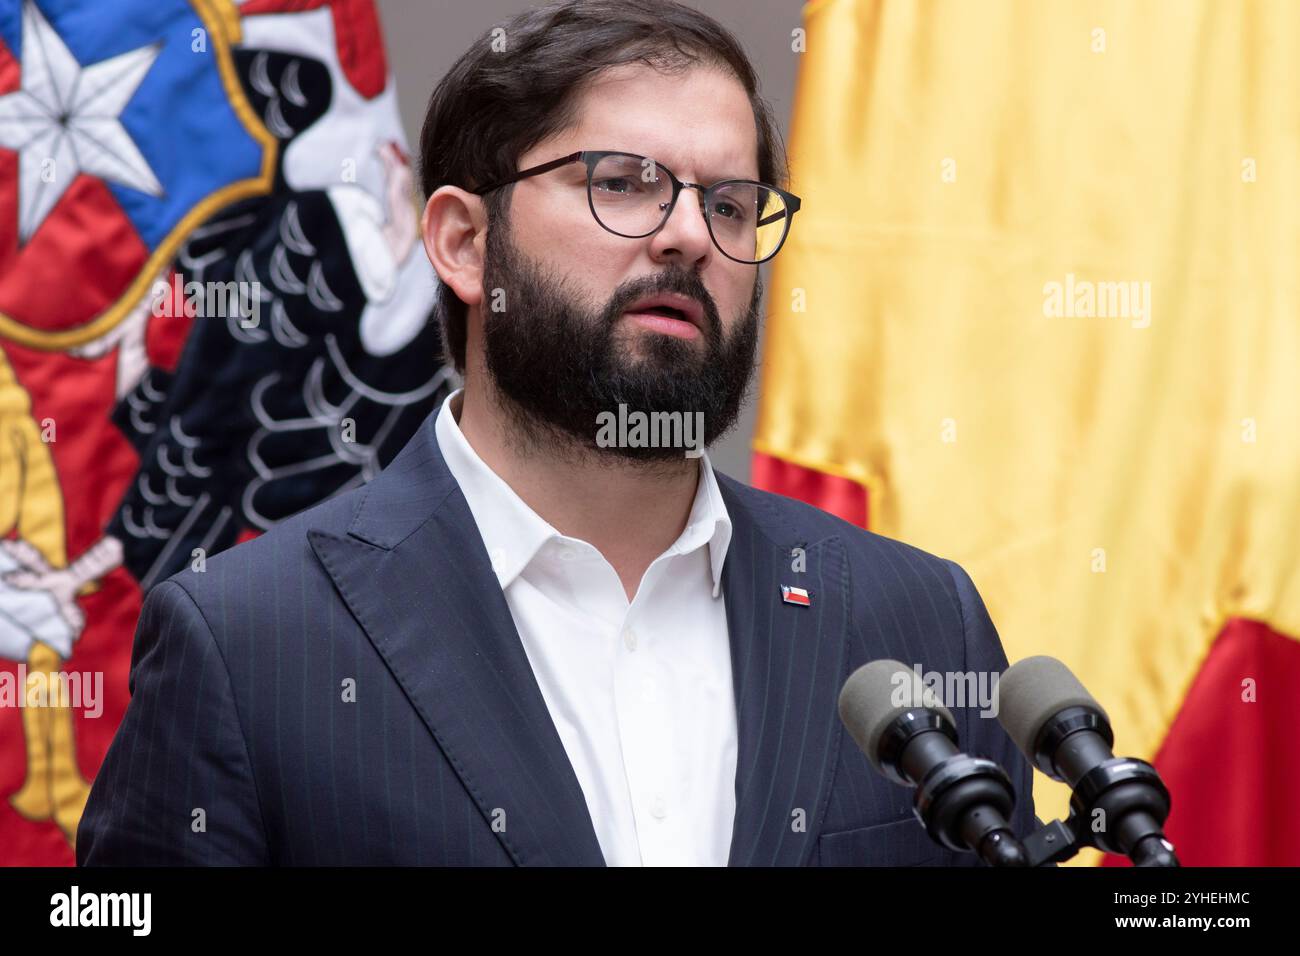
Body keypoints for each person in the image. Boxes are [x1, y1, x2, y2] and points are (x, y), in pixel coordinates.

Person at [77, 0, 1037, 866]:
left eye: (732, 205)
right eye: (623, 183)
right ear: (462, 243)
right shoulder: (249, 642)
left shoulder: (915, 616)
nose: (691, 236)